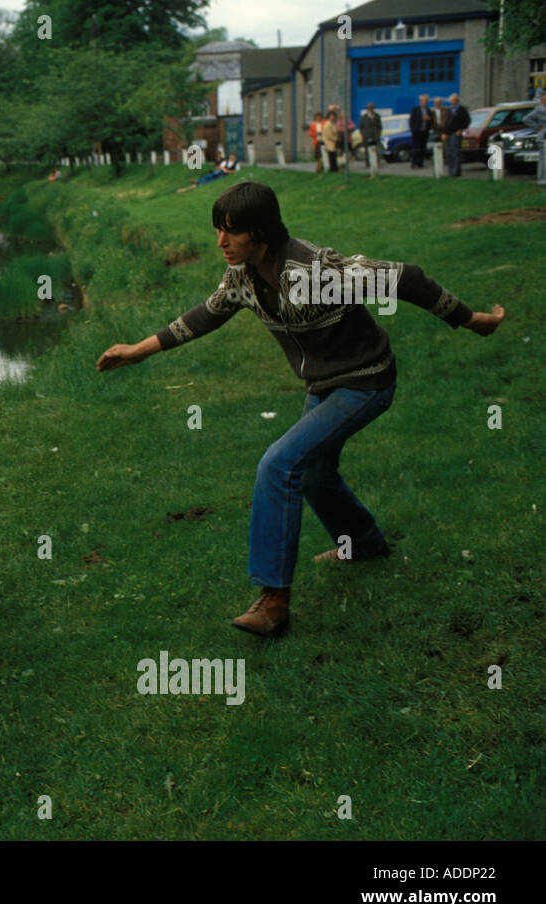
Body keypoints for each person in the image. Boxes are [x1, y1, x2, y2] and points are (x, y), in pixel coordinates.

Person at [95, 181, 506, 637]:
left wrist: (471, 321)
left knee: (279, 464)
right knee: (313, 472)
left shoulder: (313, 272)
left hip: (365, 380)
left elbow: (406, 277)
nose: (220, 242)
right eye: (217, 230)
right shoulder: (244, 276)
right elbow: (205, 315)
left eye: (231, 232)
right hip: (324, 383)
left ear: (262, 231)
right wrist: (137, 350)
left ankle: (273, 601)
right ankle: (363, 545)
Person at [175, 152, 240, 192]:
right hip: (220, 171)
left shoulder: (237, 164)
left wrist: (227, 170)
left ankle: (200, 184)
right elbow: (220, 167)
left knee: (214, 179)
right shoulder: (226, 161)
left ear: (235, 157)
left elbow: (235, 171)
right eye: (230, 156)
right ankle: (198, 182)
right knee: (211, 175)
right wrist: (221, 168)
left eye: (233, 156)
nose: (231, 157)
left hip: (226, 174)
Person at [442, 93, 471, 177]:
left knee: (455, 153)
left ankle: (456, 172)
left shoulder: (461, 109)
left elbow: (467, 120)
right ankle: (451, 172)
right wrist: (444, 133)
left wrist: (461, 129)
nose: (452, 102)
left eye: (454, 100)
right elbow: (447, 123)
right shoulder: (450, 110)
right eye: (451, 101)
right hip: (449, 134)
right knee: (449, 153)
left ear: (457, 101)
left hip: (456, 133)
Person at [524, 90, 546, 184]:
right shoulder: (539, 110)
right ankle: (542, 179)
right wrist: (538, 127)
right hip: (544, 136)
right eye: (544, 98)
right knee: (543, 158)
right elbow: (526, 119)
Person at [409, 94, 432, 168]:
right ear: (420, 101)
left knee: (422, 148)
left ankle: (420, 163)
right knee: (416, 148)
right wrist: (413, 130)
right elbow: (412, 121)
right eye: (423, 101)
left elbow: (432, 121)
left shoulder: (428, 110)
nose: (424, 102)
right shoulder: (415, 109)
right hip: (416, 132)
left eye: (426, 101)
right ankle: (414, 163)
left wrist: (429, 119)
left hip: (424, 131)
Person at [322, 107, 341, 172]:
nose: (333, 118)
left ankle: (335, 168)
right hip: (329, 142)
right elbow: (329, 135)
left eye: (334, 116)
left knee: (333, 156)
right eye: (331, 116)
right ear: (329, 117)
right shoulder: (327, 124)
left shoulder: (332, 124)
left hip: (333, 142)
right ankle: (333, 169)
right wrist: (336, 139)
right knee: (331, 156)